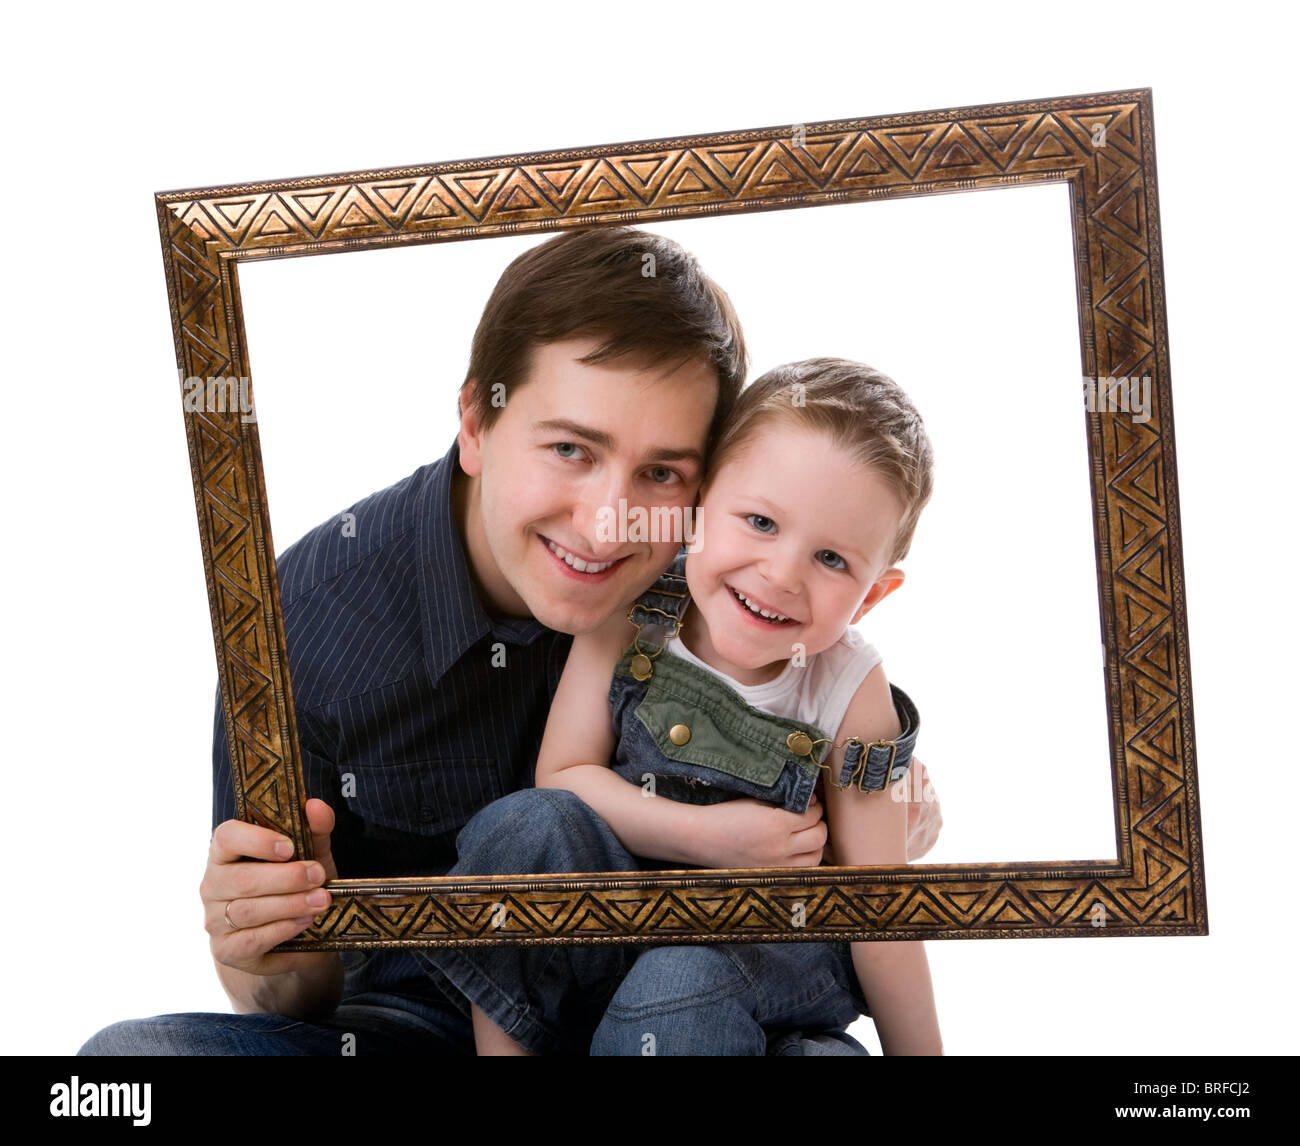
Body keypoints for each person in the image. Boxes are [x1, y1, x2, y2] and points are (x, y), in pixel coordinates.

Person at [78, 228, 941, 1056]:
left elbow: (827, 612)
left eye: (663, 471)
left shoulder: (728, 558)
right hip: (438, 1023)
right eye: (570, 448)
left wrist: (891, 806)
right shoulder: (301, 622)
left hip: (715, 1008)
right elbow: (296, 1002)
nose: (608, 524)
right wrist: (259, 944)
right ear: (477, 422)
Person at [446, 358, 943, 1055]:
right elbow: (562, 775)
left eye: (832, 560)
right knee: (522, 829)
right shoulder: (635, 610)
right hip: (626, 920)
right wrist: (711, 839)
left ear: (873, 595)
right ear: (700, 505)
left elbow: (878, 914)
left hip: (770, 954)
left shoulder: (847, 688)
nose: (781, 574)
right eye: (761, 521)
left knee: (680, 983)